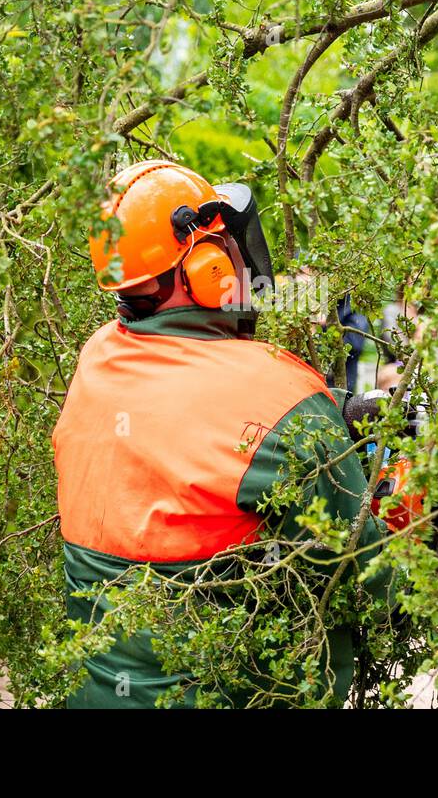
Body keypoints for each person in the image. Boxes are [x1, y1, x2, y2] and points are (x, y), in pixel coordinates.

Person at [51, 160, 394, 708]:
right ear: (206, 267)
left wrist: (333, 408)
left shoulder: (97, 358)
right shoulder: (279, 394)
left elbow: (182, 414)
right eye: (224, 244)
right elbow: (365, 577)